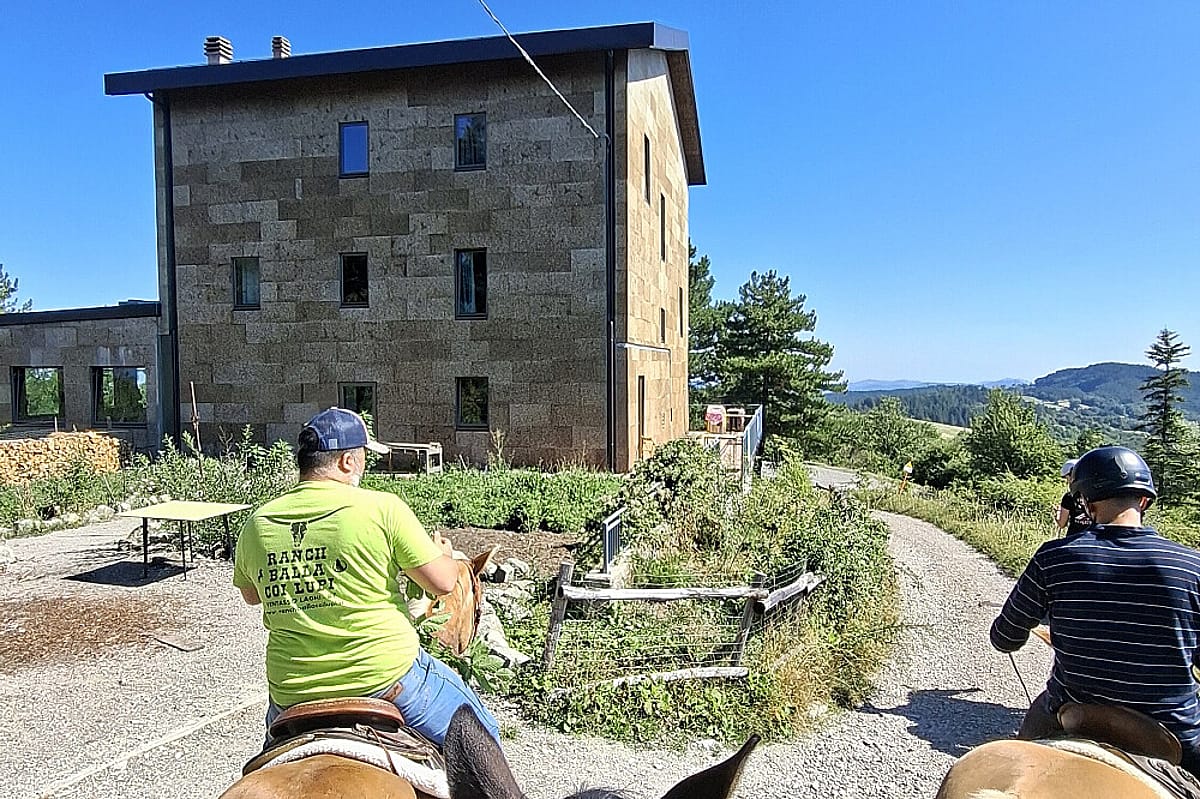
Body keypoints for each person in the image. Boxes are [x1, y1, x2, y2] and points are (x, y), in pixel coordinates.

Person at [233, 407, 500, 747]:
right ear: (347, 462)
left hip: (293, 691)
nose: (364, 466)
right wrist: (444, 555)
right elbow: (444, 583)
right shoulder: (381, 509)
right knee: (483, 737)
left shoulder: (258, 523)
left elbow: (252, 595)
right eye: (362, 457)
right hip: (384, 676)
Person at [990, 446, 1200, 776]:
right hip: (1171, 735)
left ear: (1087, 503)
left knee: (1021, 758)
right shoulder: (1192, 566)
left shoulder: (1053, 557)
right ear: (1144, 501)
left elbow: (1003, 638)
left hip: (1074, 716)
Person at [1055, 458, 1091, 536]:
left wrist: (1057, 513)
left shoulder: (1069, 497)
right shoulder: (1096, 494)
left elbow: (1062, 524)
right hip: (1094, 539)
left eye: (1067, 477)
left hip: (1073, 539)